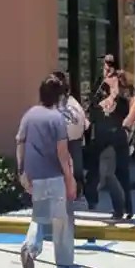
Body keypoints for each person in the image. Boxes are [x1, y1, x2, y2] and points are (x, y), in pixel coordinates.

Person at [16, 76, 77, 268]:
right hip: (55, 175)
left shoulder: (29, 115)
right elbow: (62, 153)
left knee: (40, 216)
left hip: (35, 175)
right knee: (62, 218)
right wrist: (70, 179)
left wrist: (22, 171)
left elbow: (20, 143)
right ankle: (64, 260)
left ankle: (30, 247)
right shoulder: (57, 119)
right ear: (59, 97)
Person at [85, 58, 135, 220]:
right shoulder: (100, 89)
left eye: (109, 70)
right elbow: (92, 109)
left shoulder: (125, 93)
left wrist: (127, 126)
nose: (106, 73)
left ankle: (125, 208)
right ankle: (94, 200)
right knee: (97, 170)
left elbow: (133, 108)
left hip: (117, 135)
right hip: (101, 135)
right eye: (105, 69)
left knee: (119, 172)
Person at [51, 70, 89, 200]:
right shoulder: (71, 101)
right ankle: (77, 193)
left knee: (67, 170)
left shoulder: (61, 101)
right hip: (74, 139)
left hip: (67, 140)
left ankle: (74, 193)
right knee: (74, 170)